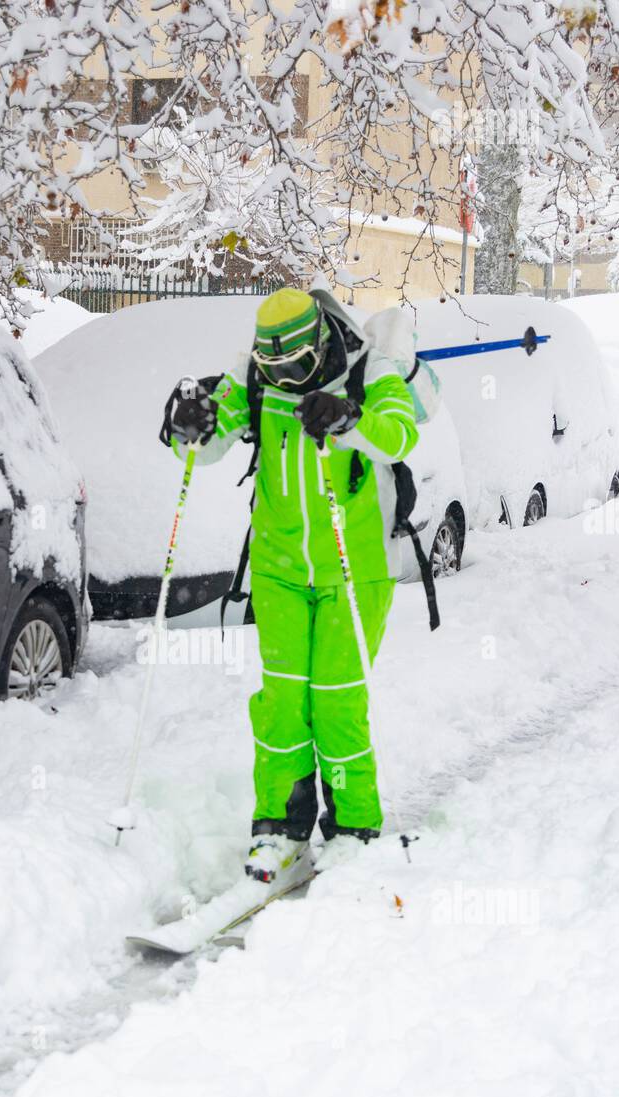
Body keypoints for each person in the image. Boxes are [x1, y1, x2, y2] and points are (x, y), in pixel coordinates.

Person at [164, 287, 419, 885]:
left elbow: (400, 434)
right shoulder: (255, 377)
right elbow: (207, 443)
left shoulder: (368, 367)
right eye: (271, 369)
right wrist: (186, 425)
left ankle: (354, 828)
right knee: (282, 703)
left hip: (354, 569)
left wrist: (351, 421)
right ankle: (279, 826)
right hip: (279, 568)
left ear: (319, 343)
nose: (283, 378)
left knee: (336, 701)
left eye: (294, 368)